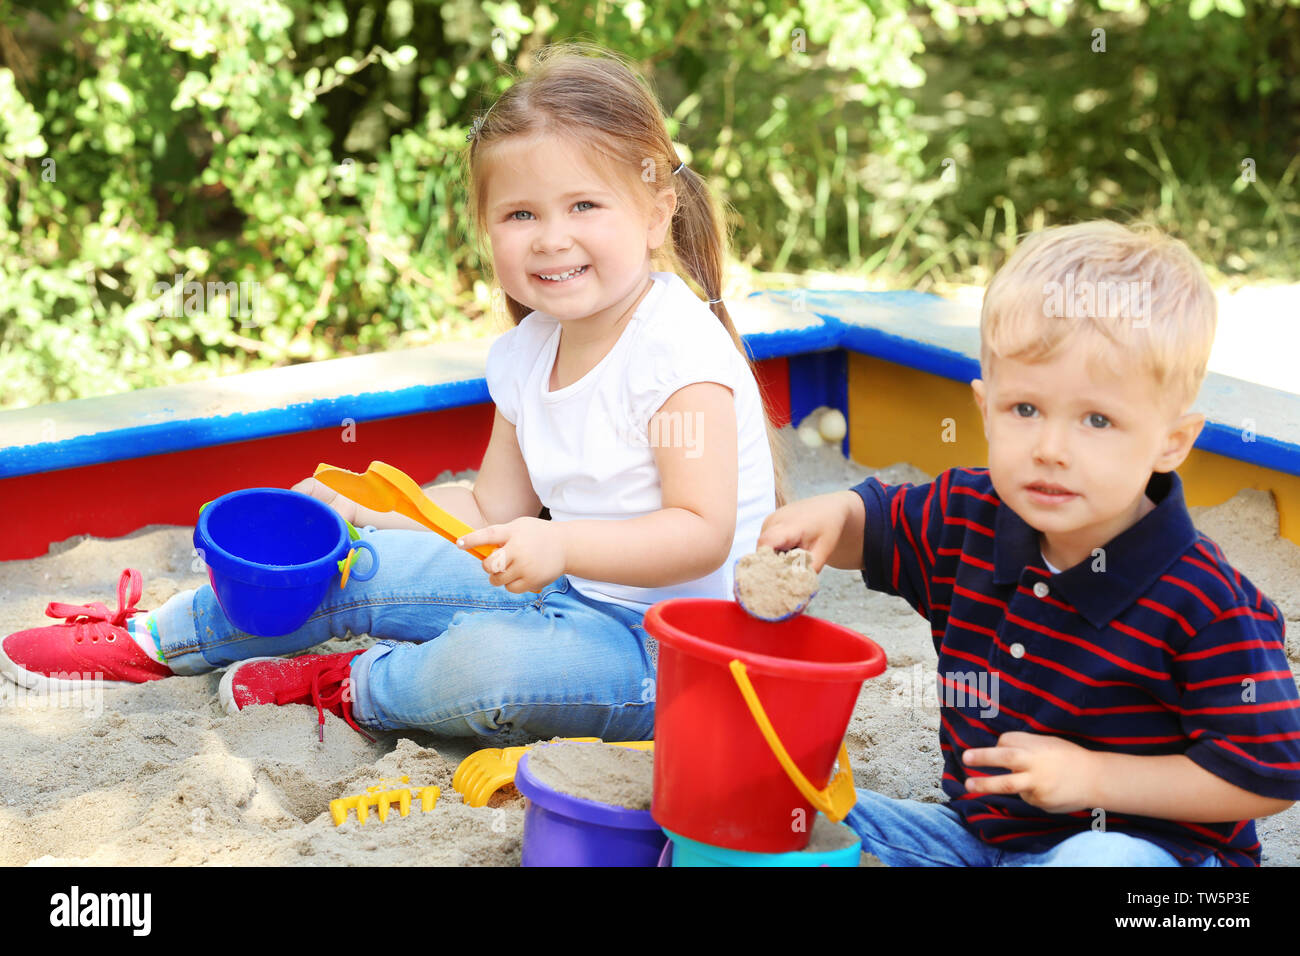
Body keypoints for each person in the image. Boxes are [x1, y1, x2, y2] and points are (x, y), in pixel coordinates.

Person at [0, 42, 788, 744]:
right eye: (520, 213)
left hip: (677, 653)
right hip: (563, 590)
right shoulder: (527, 352)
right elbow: (492, 512)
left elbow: (701, 532)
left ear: (657, 213)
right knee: (359, 566)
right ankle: (157, 641)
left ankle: (354, 687)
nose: (552, 237)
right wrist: (372, 512)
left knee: (490, 667)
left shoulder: (677, 353)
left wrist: (562, 546)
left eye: (585, 205)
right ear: (488, 230)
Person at [759, 221, 1300, 866]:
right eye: (1025, 410)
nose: (1050, 448)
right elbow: (874, 527)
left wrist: (1094, 779)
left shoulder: (1206, 602)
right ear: (985, 409)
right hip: (982, 842)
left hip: (1157, 863)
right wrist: (833, 516)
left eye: (1096, 420)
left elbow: (1266, 774)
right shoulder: (971, 515)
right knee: (787, 801)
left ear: (1172, 442)